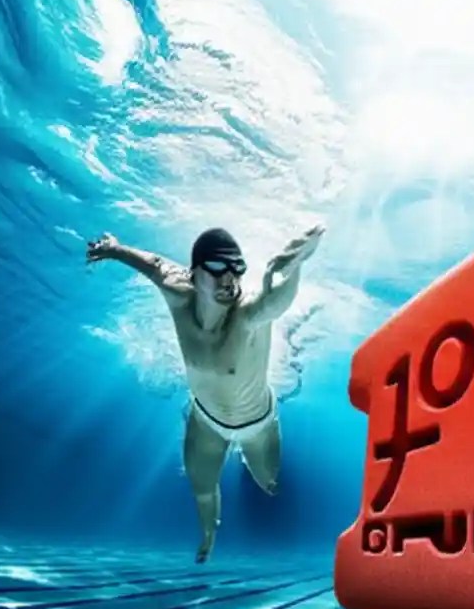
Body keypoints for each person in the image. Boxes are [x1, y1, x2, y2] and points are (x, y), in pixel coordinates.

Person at [86, 224, 324, 563]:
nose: (230, 281)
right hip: (206, 420)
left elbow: (275, 303)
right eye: (218, 270)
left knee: (268, 483)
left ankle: (249, 461)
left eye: (237, 270)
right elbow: (153, 263)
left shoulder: (247, 314)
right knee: (201, 490)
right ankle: (209, 536)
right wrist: (114, 247)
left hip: (256, 424)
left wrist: (295, 265)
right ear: (195, 273)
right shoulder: (177, 292)